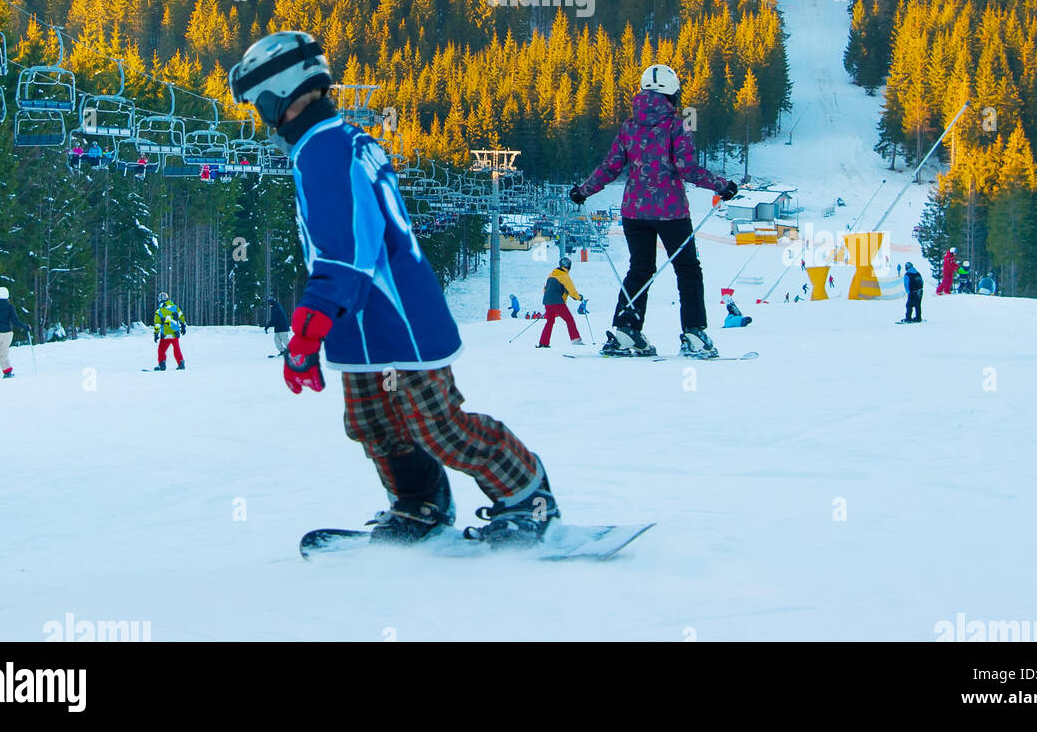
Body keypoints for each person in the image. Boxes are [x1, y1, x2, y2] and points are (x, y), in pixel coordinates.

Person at [229, 30, 558, 547]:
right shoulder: (342, 139)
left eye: (259, 106)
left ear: (278, 94)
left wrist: (308, 330)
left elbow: (347, 251)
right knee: (374, 422)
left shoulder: (323, 151)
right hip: (361, 321)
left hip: (395, 315)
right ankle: (420, 502)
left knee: (437, 424)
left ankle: (526, 495)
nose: (262, 119)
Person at [570, 63, 736, 358]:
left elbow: (611, 167)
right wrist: (722, 185)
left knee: (640, 268)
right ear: (672, 92)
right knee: (687, 270)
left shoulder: (629, 126)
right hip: (671, 212)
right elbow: (687, 169)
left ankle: (626, 331)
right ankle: (694, 334)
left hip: (634, 212)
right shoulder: (678, 124)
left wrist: (583, 191)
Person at [536, 255, 583, 348]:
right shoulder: (565, 276)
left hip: (547, 302)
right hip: (558, 302)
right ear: (569, 267)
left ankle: (543, 342)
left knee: (549, 322)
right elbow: (572, 291)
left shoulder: (551, 275)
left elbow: (545, 290)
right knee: (569, 320)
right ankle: (575, 339)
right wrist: (579, 298)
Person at [153, 290, 187, 369]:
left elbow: (157, 324)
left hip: (165, 333)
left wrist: (156, 333)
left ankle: (162, 364)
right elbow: (181, 316)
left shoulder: (159, 311)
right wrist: (183, 326)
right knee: (176, 348)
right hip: (175, 332)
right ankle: (181, 362)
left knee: (161, 350)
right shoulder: (175, 308)